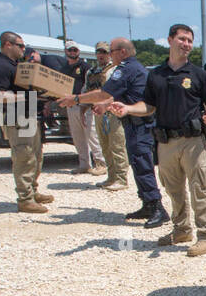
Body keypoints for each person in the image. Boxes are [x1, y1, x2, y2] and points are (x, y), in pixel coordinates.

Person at [108, 23, 206, 256]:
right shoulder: (156, 75)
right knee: (174, 189)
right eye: (182, 39)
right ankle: (181, 230)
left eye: (190, 40)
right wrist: (128, 109)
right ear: (170, 40)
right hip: (166, 142)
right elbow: (148, 106)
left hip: (193, 141)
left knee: (200, 188)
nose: (186, 44)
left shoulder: (198, 74)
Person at [59, 37, 168, 228]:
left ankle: (157, 207)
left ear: (122, 52)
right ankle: (147, 204)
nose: (109, 55)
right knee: (136, 162)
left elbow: (104, 92)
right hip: (134, 122)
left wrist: (76, 99)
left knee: (142, 163)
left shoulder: (126, 69)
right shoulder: (131, 68)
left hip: (139, 123)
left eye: (112, 51)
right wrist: (104, 104)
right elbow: (118, 95)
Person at [0, 30, 54, 214]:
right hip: (17, 118)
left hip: (28, 116)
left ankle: (32, 191)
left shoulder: (16, 65)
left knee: (35, 155)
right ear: (8, 45)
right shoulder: (1, 66)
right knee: (24, 157)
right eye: (20, 46)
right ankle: (25, 199)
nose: (23, 49)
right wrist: (26, 96)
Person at [86, 41, 128, 191]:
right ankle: (111, 177)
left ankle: (122, 178)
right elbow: (87, 90)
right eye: (99, 52)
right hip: (97, 111)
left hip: (113, 111)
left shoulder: (116, 70)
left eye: (104, 52)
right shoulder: (91, 72)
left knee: (117, 145)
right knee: (105, 146)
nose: (101, 55)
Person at [60, 43, 105, 175]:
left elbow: (90, 86)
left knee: (91, 135)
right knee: (77, 136)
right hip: (71, 105)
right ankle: (84, 164)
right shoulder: (63, 68)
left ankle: (100, 163)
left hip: (86, 105)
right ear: (66, 51)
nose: (73, 52)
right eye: (70, 50)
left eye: (75, 50)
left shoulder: (86, 67)